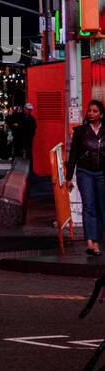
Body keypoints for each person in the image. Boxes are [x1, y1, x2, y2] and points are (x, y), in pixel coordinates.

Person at [67, 99, 105, 257]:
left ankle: (97, 241)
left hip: (102, 173)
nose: (91, 113)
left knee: (101, 207)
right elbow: (73, 155)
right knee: (89, 206)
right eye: (89, 110)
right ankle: (90, 241)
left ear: (101, 114)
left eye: (95, 111)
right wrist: (69, 177)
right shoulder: (80, 131)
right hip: (85, 172)